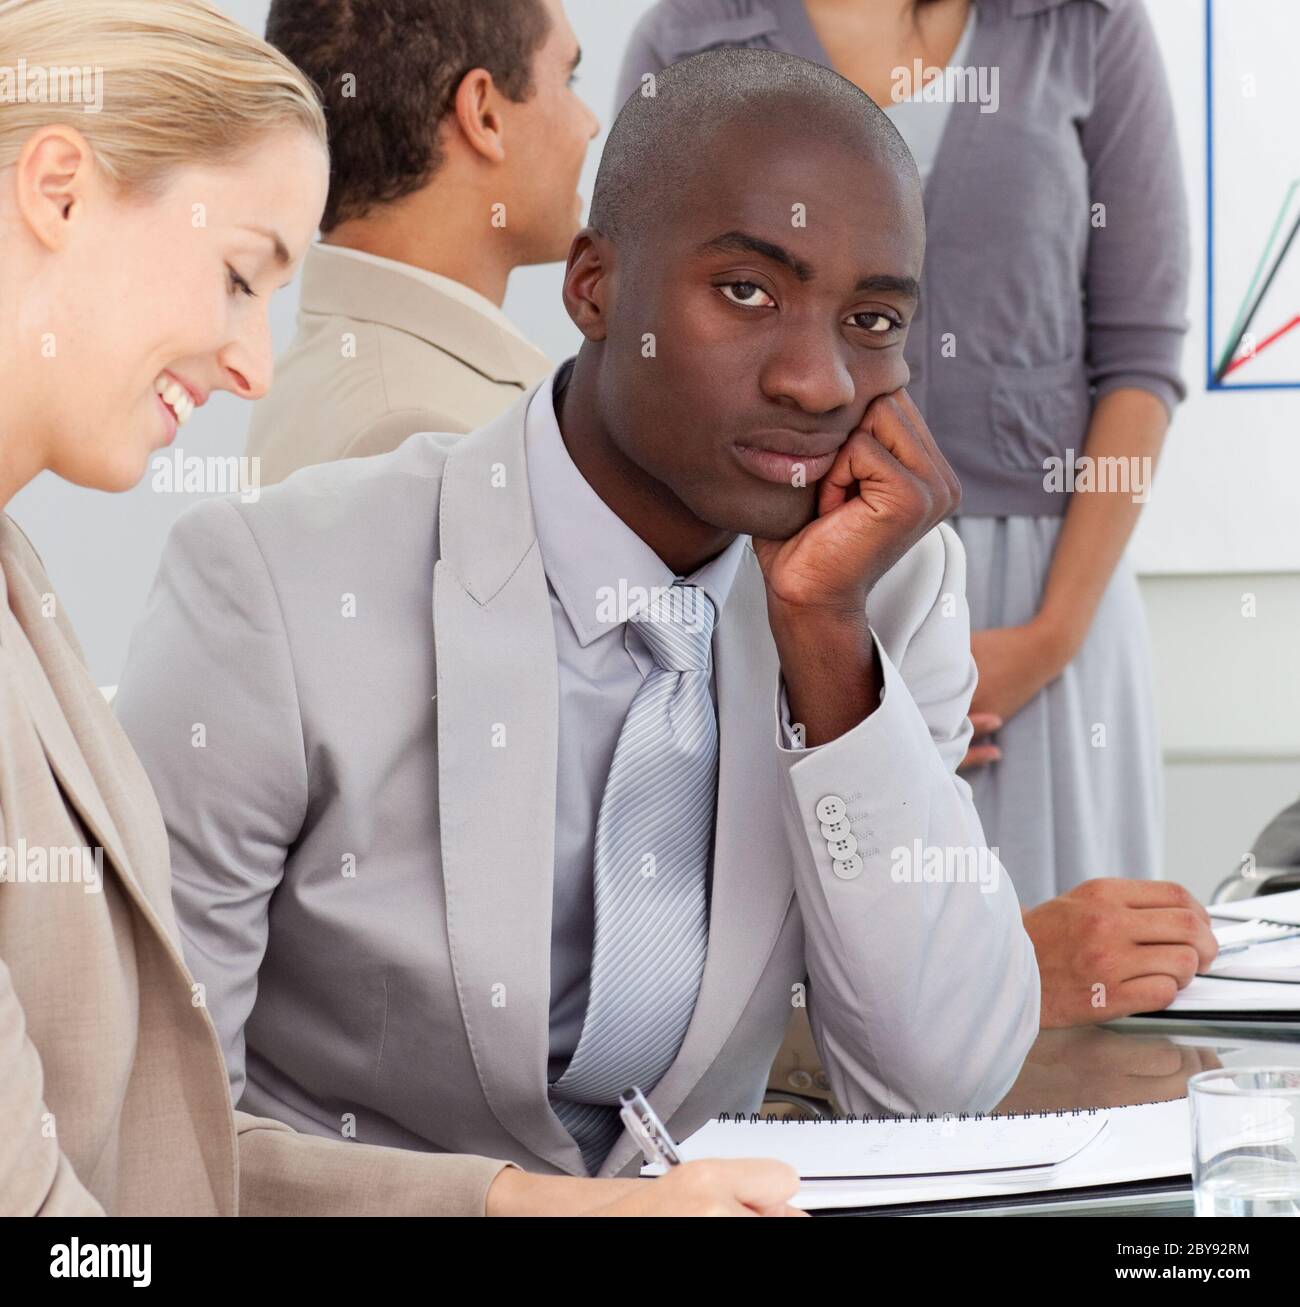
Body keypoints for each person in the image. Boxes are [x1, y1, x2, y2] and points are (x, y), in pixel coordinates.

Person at [115, 45, 1040, 1182]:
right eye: (747, 292)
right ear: (594, 285)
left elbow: (938, 1080)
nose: (817, 382)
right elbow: (146, 1128)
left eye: (869, 321)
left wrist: (827, 651)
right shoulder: (279, 582)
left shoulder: (886, 588)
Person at [0, 0, 799, 1218]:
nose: (254, 365)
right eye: (235, 275)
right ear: (58, 189)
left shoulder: (21, 588)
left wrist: (543, 1209)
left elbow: (159, 1153)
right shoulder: (380, 481)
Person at [618, 0, 1190, 910]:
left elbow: (1141, 358)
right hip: (774, 578)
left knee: (1076, 990)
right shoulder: (692, 35)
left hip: (1048, 600)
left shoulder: (1087, 24)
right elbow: (647, 331)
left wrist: (1047, 642)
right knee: (809, 967)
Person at [245, 0, 597, 486]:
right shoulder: (418, 434)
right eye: (568, 80)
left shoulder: (342, 373)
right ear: (484, 114)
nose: (590, 123)